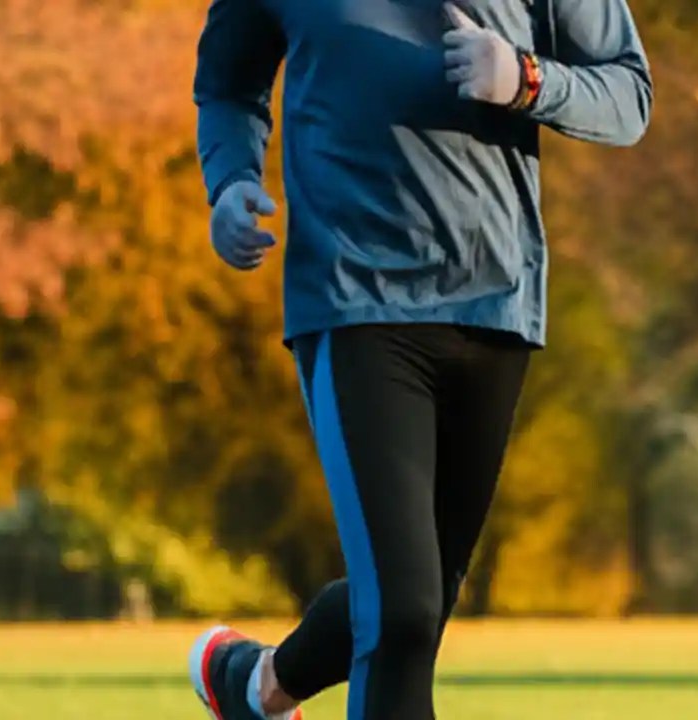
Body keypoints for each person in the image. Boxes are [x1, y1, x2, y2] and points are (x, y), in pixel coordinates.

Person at [188, 0, 651, 717]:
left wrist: (526, 80)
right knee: (402, 613)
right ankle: (255, 685)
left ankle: (256, 683)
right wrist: (229, 182)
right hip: (352, 298)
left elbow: (628, 94)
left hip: (495, 304)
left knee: (416, 602)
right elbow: (227, 84)